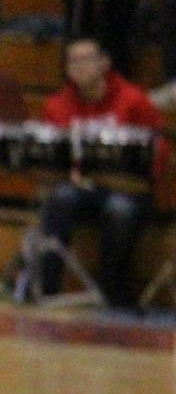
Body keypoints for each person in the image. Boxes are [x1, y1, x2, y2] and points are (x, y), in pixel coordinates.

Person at [35, 37, 159, 307]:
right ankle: (48, 288)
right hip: (82, 188)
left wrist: (142, 179)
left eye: (86, 59)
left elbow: (157, 149)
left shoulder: (134, 100)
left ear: (104, 62)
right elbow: (53, 157)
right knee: (60, 198)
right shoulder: (56, 106)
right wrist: (66, 173)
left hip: (128, 189)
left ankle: (112, 291)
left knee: (120, 210)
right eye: (72, 61)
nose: (78, 67)